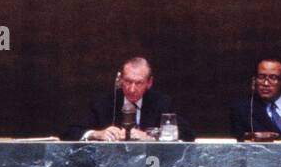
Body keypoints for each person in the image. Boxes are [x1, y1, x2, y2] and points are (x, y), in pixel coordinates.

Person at [64, 55, 194, 141]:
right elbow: (69, 132)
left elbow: (187, 134)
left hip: (151, 165)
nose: (132, 89)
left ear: (149, 83)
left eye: (138, 83)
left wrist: (150, 136)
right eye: (127, 81)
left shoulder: (161, 102)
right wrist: (97, 134)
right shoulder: (103, 102)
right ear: (120, 80)